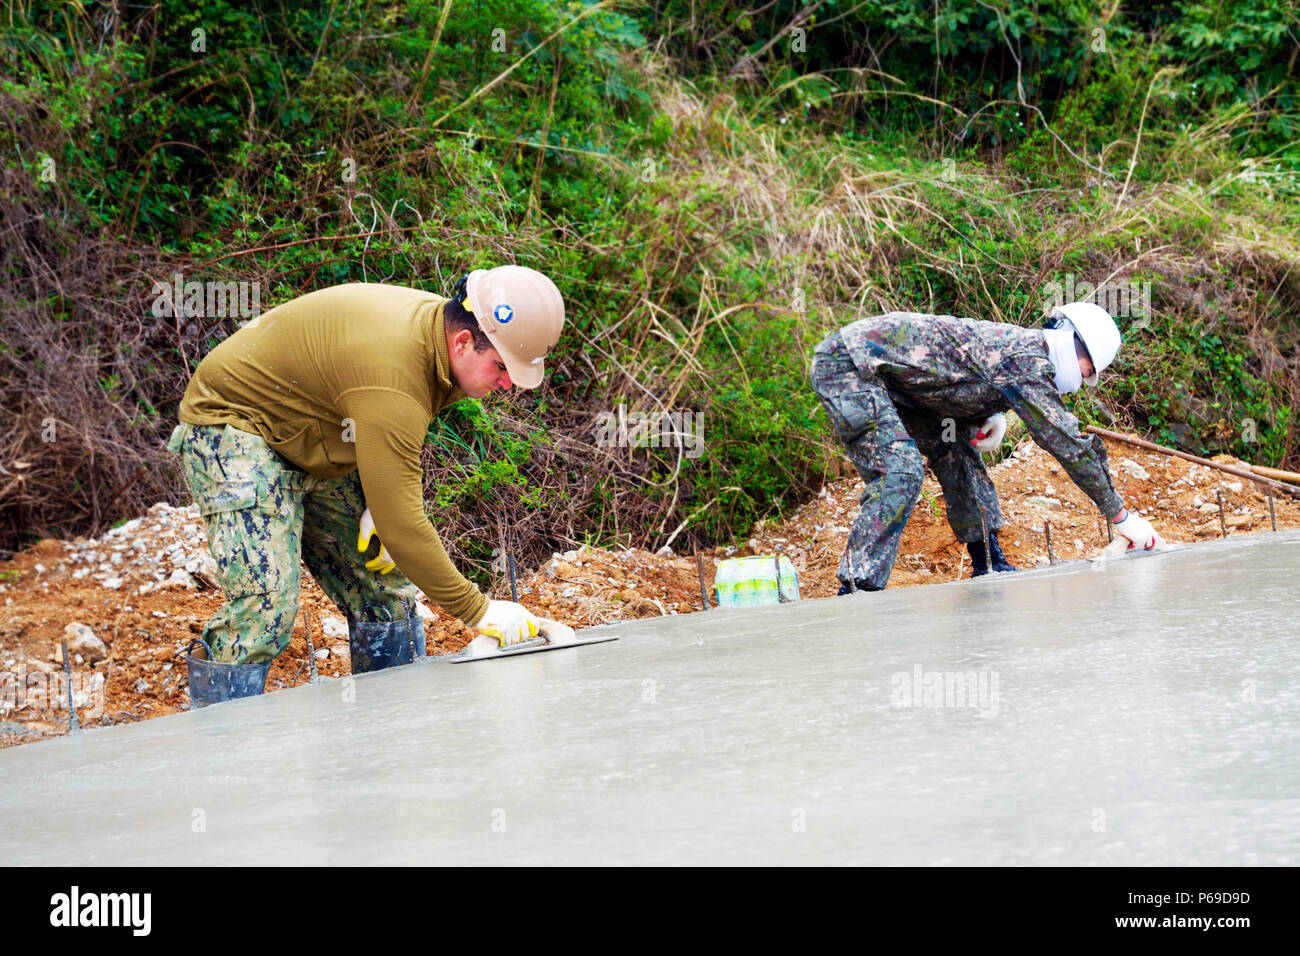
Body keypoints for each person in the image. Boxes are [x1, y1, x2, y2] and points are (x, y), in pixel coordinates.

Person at [167, 267, 564, 704]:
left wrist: (381, 499)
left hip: (314, 429)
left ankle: (388, 739)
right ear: (464, 342)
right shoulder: (395, 365)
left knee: (385, 589)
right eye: (503, 367)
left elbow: (393, 426)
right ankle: (224, 754)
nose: (507, 383)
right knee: (267, 609)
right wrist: (481, 610)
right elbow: (404, 517)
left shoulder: (442, 339)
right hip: (235, 424)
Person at [809, 301, 1159, 594]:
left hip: (903, 386)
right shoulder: (1027, 360)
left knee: (956, 449)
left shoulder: (1022, 356)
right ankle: (857, 590)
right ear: (1076, 347)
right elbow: (1067, 442)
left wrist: (986, 415)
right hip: (850, 366)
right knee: (900, 471)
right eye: (1087, 371)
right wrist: (1121, 516)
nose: (1083, 380)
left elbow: (950, 377)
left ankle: (987, 561)